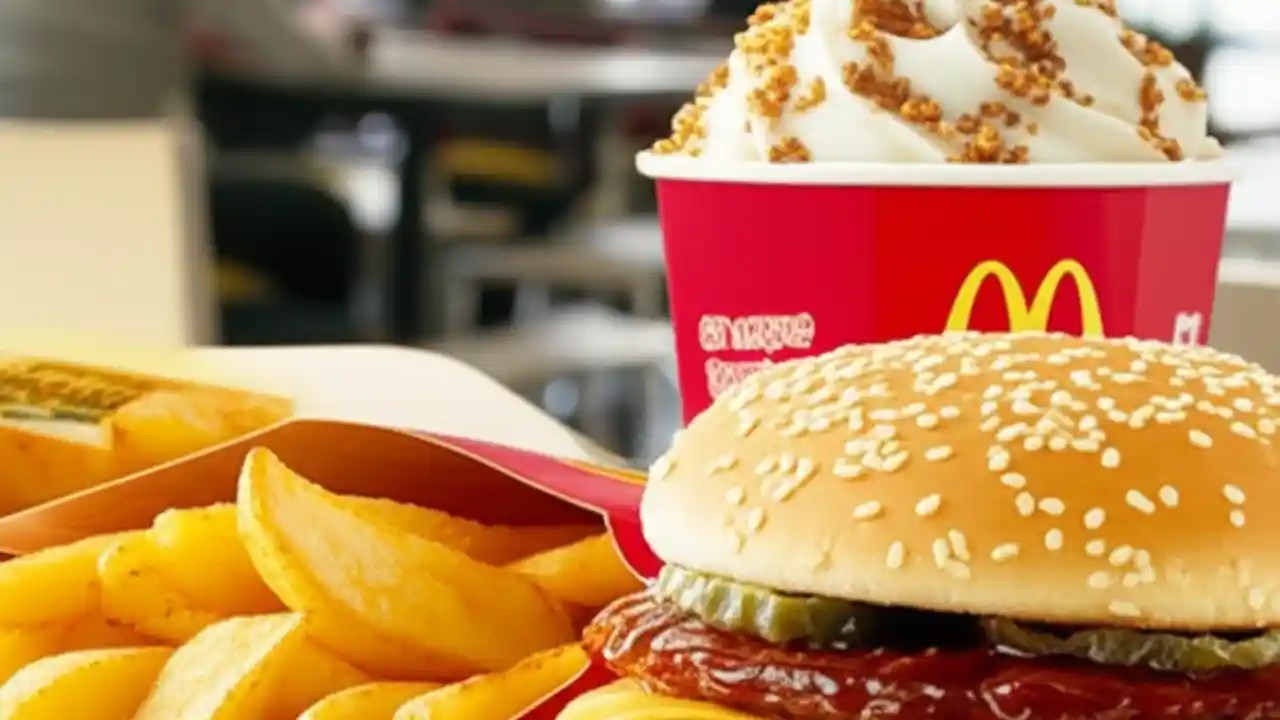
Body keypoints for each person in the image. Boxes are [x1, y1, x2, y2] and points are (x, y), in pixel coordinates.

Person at [0, 0, 367, 344]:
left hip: (19, 217)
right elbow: (306, 61)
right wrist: (332, 30)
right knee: (317, 223)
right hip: (132, 212)